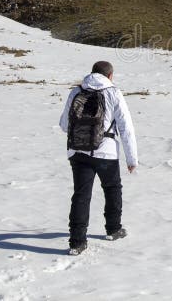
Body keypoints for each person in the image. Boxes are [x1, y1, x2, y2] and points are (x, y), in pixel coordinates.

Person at [59, 60, 138, 255]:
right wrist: (131, 159)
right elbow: (126, 128)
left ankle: (77, 242)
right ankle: (113, 229)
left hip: (77, 152)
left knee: (81, 195)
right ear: (110, 76)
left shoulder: (76, 92)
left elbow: (63, 124)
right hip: (106, 152)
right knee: (112, 189)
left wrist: (82, 136)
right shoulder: (113, 92)